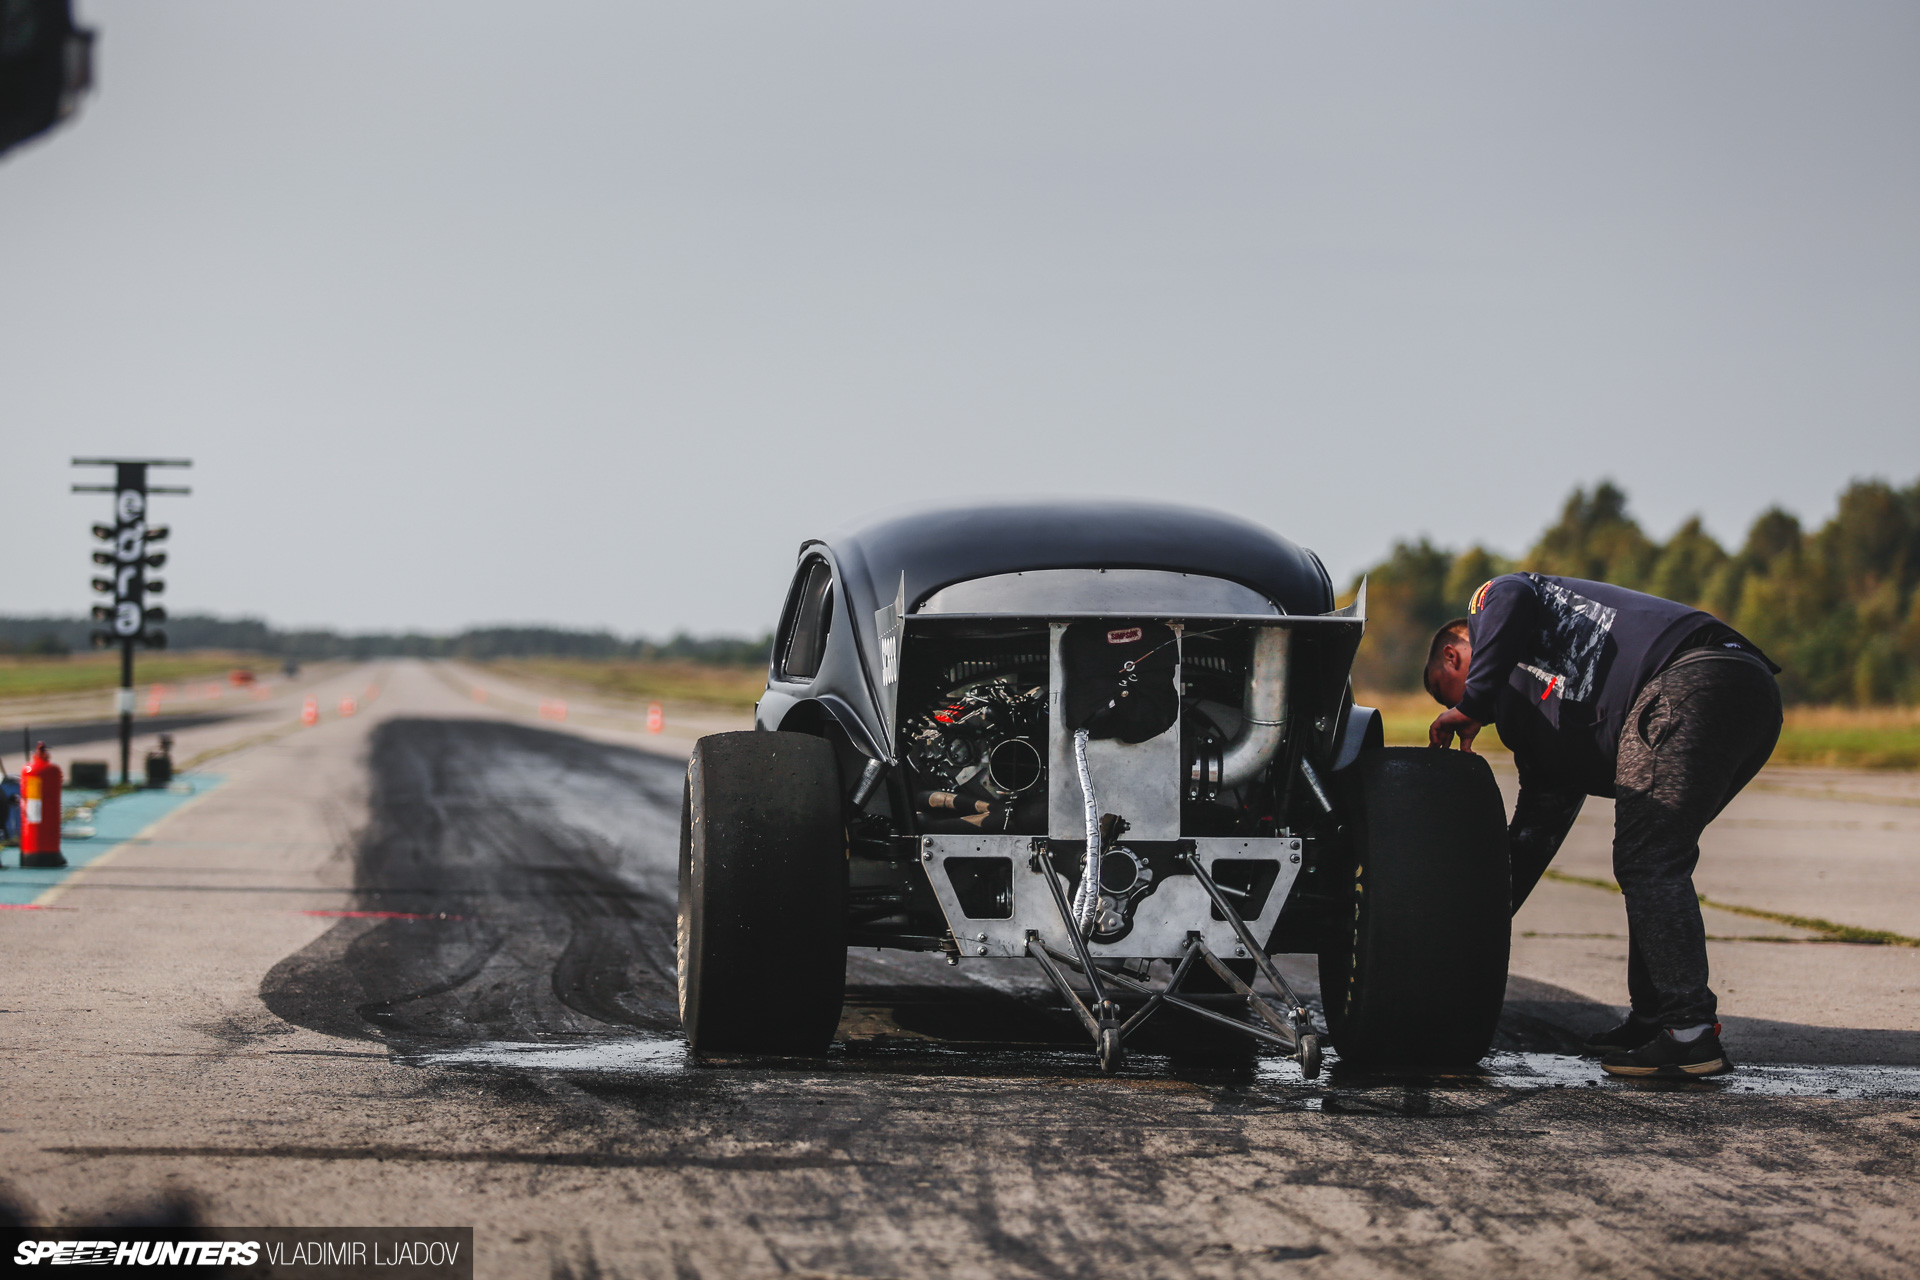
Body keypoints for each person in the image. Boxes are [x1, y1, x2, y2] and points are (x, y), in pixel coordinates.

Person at [1424, 572, 1781, 1078]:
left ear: (1455, 657)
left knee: (1649, 858)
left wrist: (1472, 703)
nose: (1454, 710)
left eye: (1447, 693)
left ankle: (1690, 1033)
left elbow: (1513, 595)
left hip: (1690, 676)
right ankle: (1655, 1017)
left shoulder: (1494, 601)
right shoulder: (1541, 725)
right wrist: (1469, 925)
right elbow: (1530, 841)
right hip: (1745, 690)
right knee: (1655, 853)